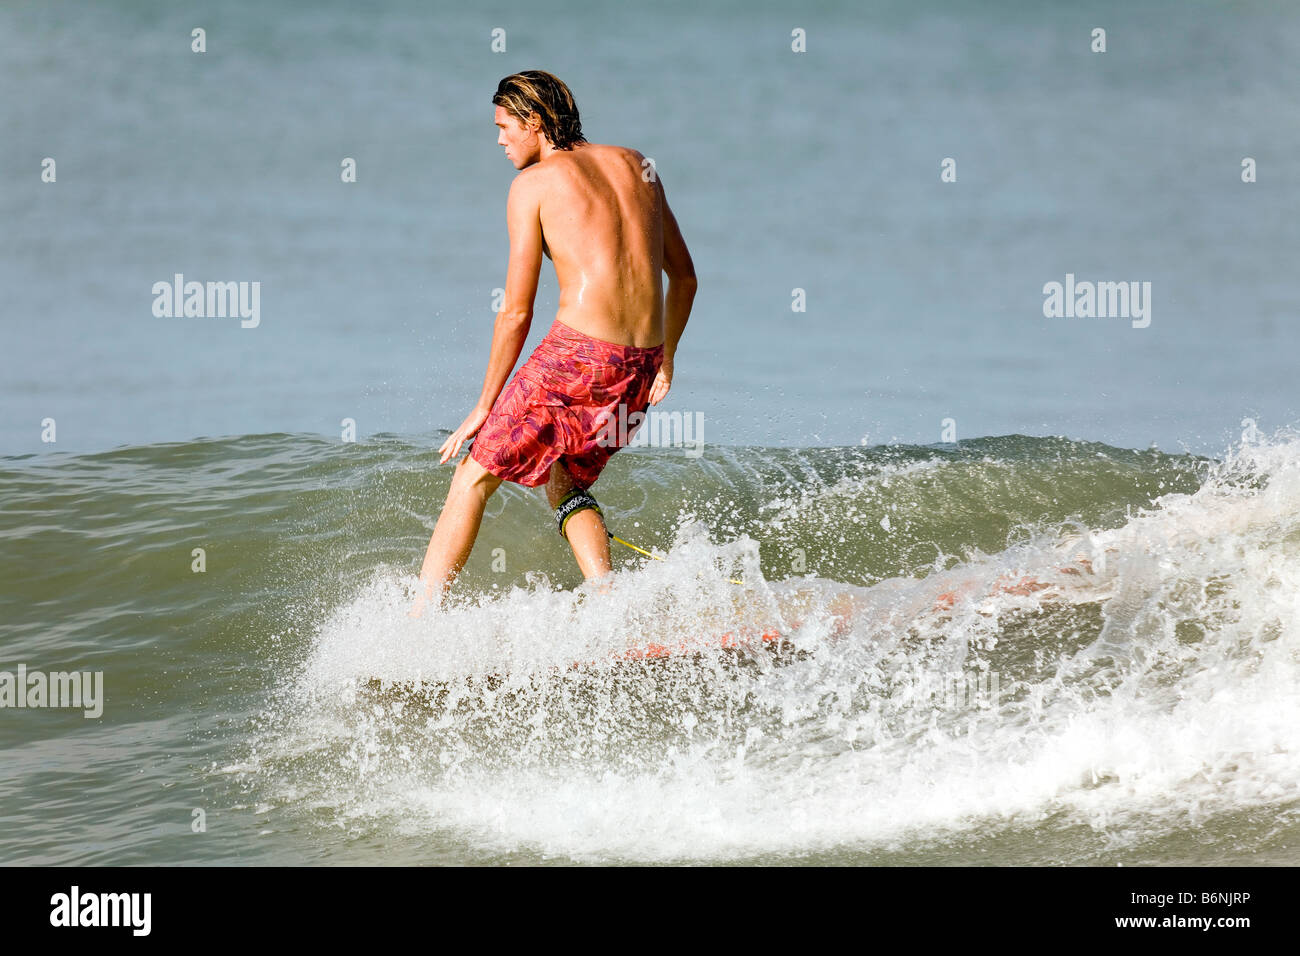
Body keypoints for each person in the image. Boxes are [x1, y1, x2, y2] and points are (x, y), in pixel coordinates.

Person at [410, 70, 697, 616]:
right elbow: (685, 279)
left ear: (535, 122)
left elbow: (517, 310)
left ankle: (417, 625)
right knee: (564, 479)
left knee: (472, 477)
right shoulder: (639, 164)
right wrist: (668, 362)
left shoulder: (533, 186)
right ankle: (609, 600)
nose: (498, 141)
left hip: (578, 355)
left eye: (504, 128)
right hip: (640, 364)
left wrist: (481, 407)